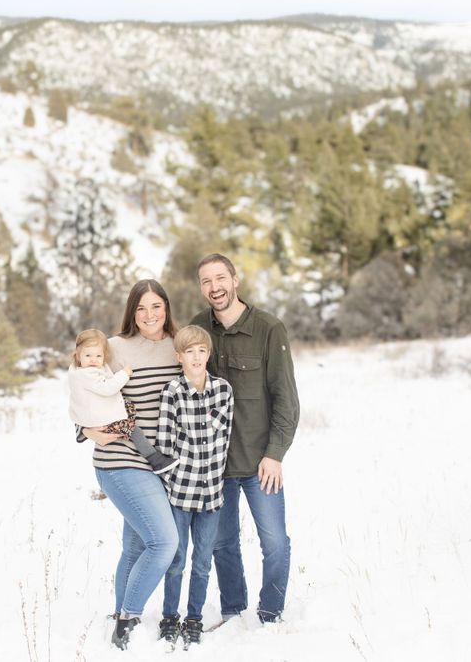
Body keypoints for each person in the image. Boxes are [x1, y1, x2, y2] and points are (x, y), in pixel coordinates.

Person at [190, 253, 300, 624]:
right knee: (222, 544)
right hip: (214, 466)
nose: (214, 287)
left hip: (259, 462)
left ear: (235, 280)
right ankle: (233, 611)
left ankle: (271, 613)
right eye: (206, 281)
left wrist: (275, 454)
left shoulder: (269, 328)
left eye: (220, 278)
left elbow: (286, 399)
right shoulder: (197, 330)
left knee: (276, 543)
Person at [76, 280, 182, 650]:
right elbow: (83, 390)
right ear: (131, 312)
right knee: (164, 542)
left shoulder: (178, 345)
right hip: (120, 459)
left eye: (156, 306)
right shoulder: (115, 348)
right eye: (141, 308)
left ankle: (119, 611)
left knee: (136, 546)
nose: (149, 315)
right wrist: (83, 428)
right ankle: (127, 620)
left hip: (162, 464)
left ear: (166, 308)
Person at [155, 325, 234, 647]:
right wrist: (172, 481)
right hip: (180, 492)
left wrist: (214, 477)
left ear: (209, 353)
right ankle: (169, 617)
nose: (197, 357)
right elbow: (165, 445)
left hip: (212, 493)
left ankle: (194, 618)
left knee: (202, 562)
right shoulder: (172, 392)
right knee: (176, 560)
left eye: (202, 350)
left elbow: (225, 440)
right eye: (190, 352)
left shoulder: (223, 390)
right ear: (179, 357)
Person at [68, 328, 178, 475]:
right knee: (134, 430)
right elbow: (108, 388)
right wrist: (124, 374)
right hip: (103, 421)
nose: (93, 360)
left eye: (98, 356)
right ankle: (155, 459)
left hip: (99, 417)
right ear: (78, 355)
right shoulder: (87, 374)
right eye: (88, 355)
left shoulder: (79, 371)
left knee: (128, 412)